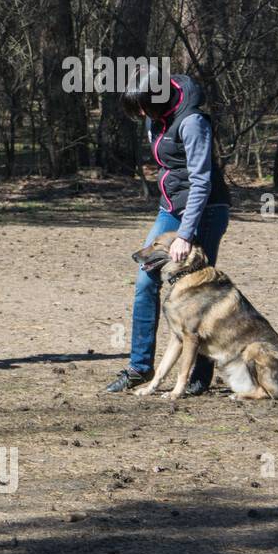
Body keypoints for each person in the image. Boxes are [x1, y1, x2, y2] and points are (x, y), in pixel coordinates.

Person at [105, 68, 232, 395]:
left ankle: (199, 376)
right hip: (171, 207)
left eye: (144, 109)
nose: (142, 116)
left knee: (200, 289)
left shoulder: (192, 123)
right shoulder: (156, 116)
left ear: (158, 100)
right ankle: (139, 367)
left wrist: (186, 236)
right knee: (146, 278)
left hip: (205, 210)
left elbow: (201, 181)